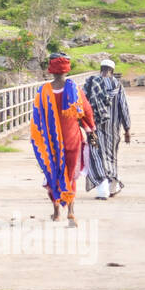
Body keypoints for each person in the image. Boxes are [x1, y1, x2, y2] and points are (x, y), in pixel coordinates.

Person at [29, 52, 95, 225]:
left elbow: (36, 118)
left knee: (53, 174)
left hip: (50, 143)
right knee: (71, 176)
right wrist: (91, 131)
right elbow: (86, 113)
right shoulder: (75, 90)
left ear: (51, 70)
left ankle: (57, 212)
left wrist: (37, 140)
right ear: (67, 69)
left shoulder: (43, 91)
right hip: (72, 139)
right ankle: (71, 212)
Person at [83, 59, 131, 198]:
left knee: (95, 155)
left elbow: (82, 104)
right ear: (113, 71)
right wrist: (127, 129)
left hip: (92, 130)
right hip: (113, 130)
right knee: (111, 156)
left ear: (100, 69)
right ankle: (112, 186)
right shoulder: (118, 85)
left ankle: (103, 189)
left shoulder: (91, 83)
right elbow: (124, 108)